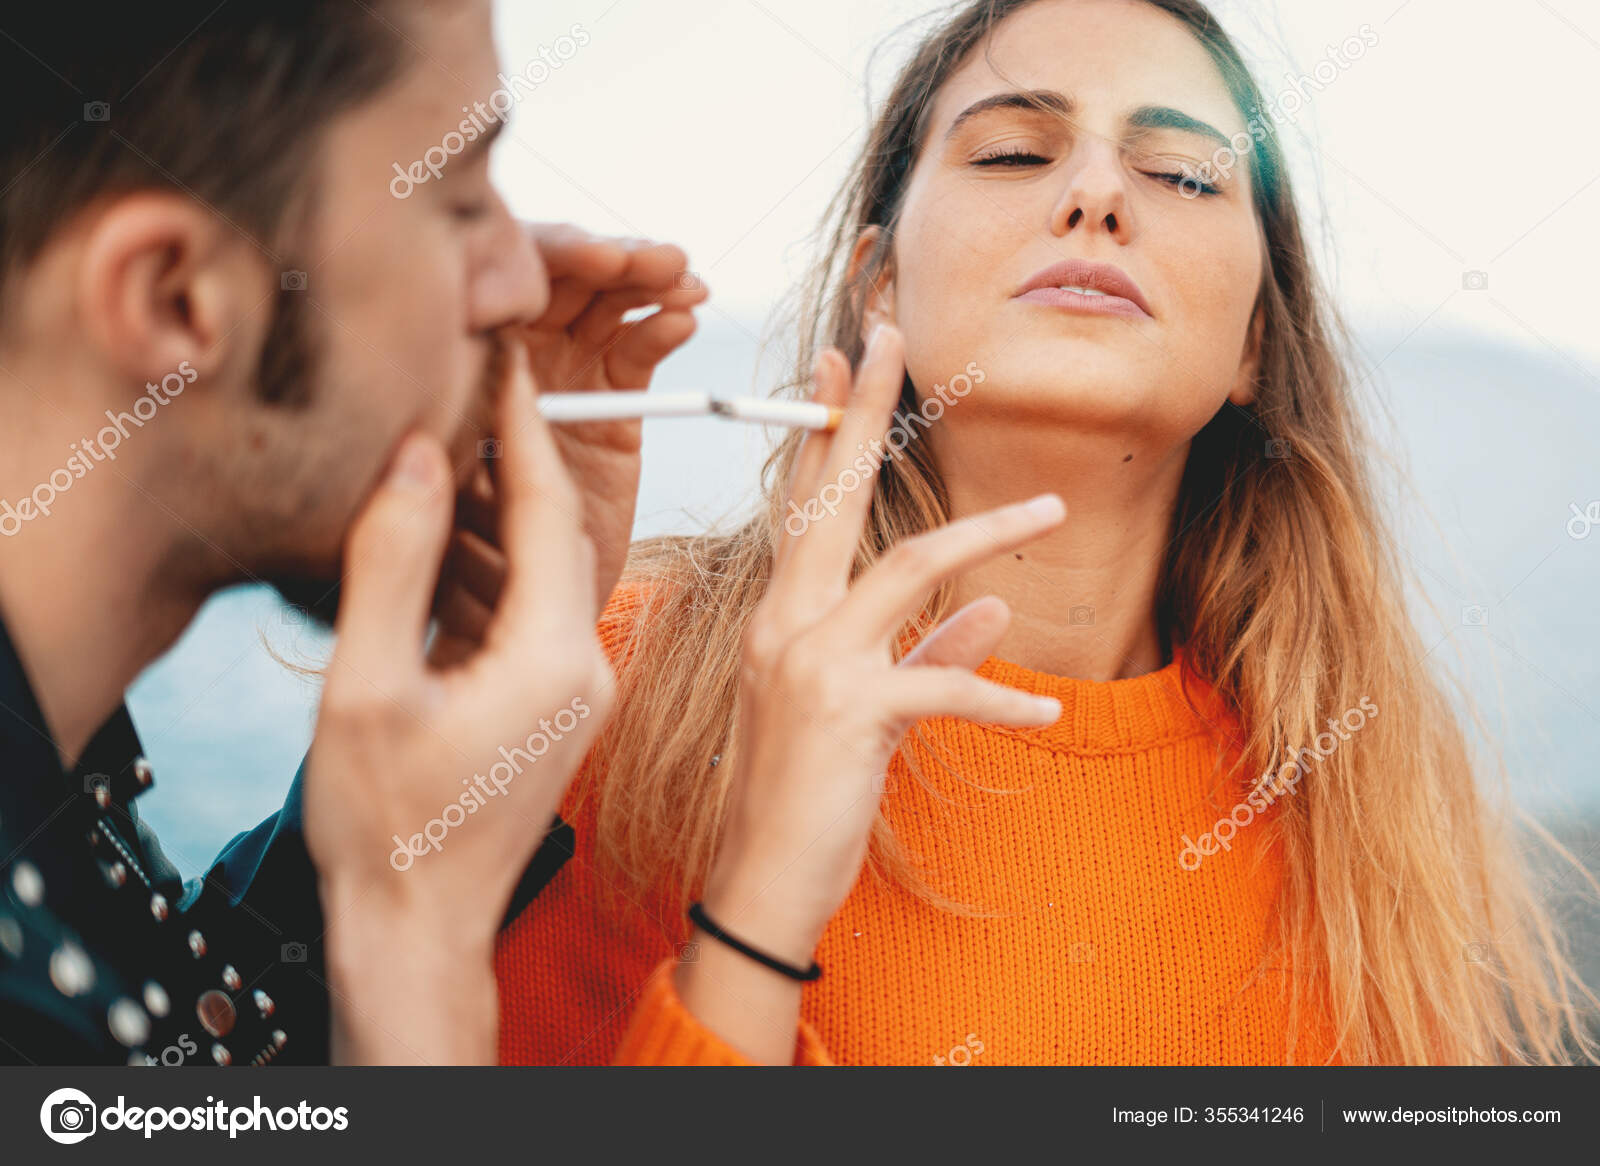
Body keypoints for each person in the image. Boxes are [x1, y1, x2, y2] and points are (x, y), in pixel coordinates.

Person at [494, 0, 1598, 1065]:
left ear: (1255, 341)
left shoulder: (1363, 812)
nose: (1097, 192)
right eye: (1015, 153)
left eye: (1182, 173)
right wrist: (756, 908)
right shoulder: (599, 679)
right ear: (877, 289)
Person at [0, 0, 708, 1065]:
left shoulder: (60, 794)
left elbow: (171, 1039)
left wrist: (392, 844)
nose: (523, 281)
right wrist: (414, 953)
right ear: (176, 297)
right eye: (462, 199)